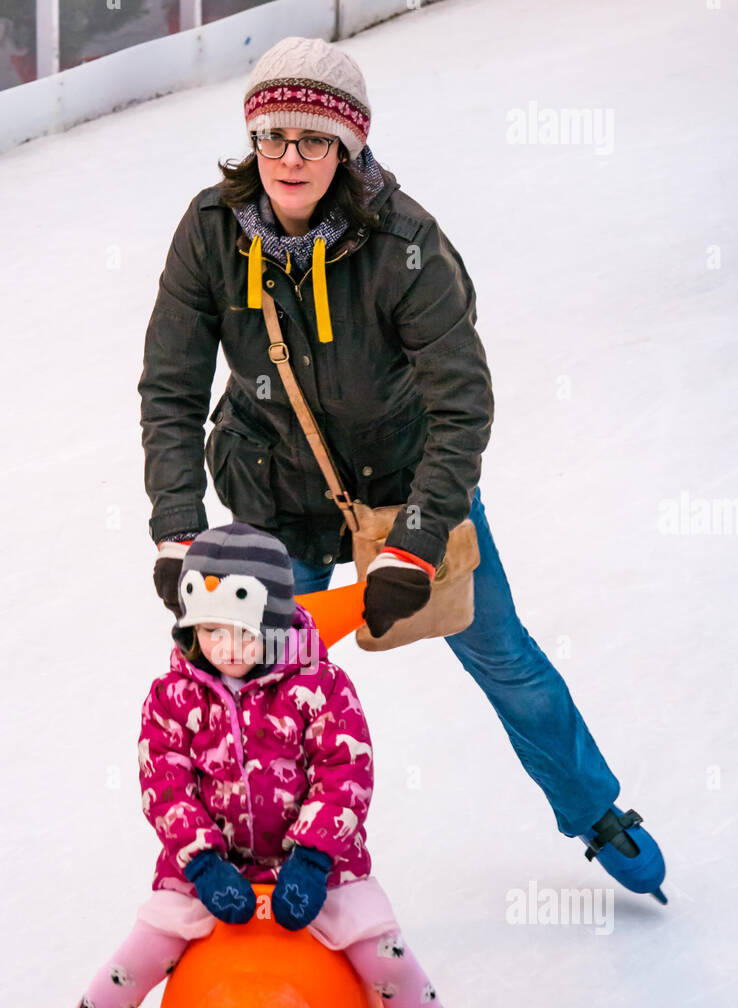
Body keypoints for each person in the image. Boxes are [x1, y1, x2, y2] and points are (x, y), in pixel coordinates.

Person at [138, 35, 667, 903]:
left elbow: (462, 407)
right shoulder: (210, 233)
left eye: (313, 139)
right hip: (274, 496)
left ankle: (596, 810)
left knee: (504, 658)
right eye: (273, 136)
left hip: (410, 486)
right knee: (255, 694)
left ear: (348, 147)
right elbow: (172, 385)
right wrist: (177, 525)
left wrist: (417, 543)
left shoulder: (406, 245)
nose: (291, 158)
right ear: (252, 142)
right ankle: (259, 868)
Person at [0, 523, 531, 1008]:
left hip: (320, 870)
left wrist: (312, 859)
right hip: (206, 870)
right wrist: (200, 863)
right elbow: (163, 785)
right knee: (137, 956)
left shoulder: (320, 687)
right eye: (210, 630)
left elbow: (344, 774)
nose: (226, 647)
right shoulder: (172, 696)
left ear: (273, 624)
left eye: (241, 631)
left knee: (388, 957)